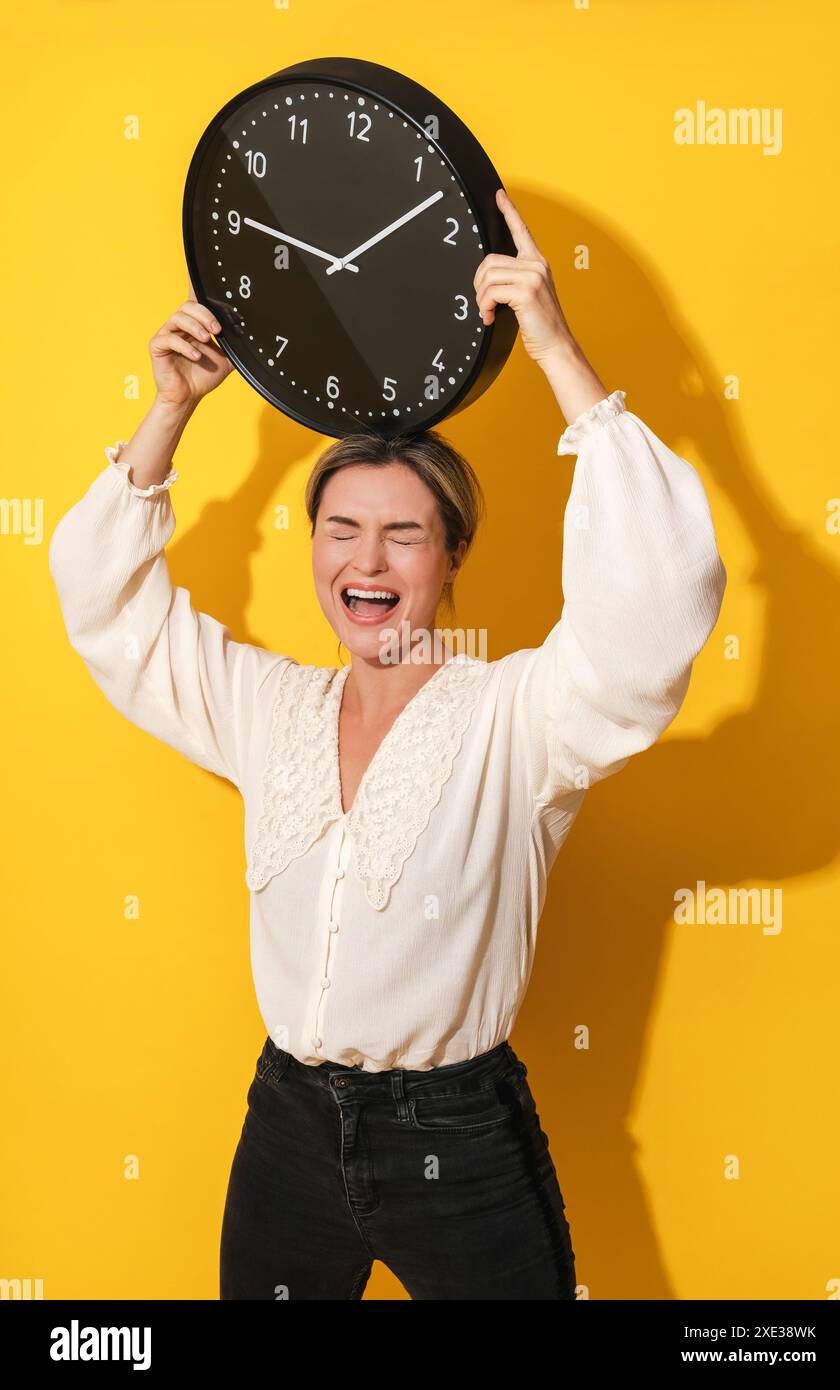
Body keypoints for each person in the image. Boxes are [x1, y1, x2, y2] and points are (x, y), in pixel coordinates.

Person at [48, 188, 727, 1300]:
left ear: (449, 556)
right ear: (314, 548)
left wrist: (556, 351)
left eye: (402, 531)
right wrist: (168, 410)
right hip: (284, 1130)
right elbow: (106, 608)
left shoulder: (524, 717)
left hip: (457, 1142)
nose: (366, 557)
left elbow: (653, 605)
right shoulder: (265, 707)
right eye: (340, 527)